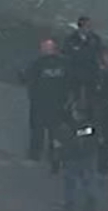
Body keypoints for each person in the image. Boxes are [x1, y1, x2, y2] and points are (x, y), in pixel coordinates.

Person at [20, 39, 70, 169]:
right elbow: (70, 81)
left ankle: (35, 155)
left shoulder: (38, 64)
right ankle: (54, 159)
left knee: (37, 131)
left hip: (40, 103)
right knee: (55, 133)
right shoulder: (64, 63)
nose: (41, 50)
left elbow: (25, 78)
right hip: (58, 104)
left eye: (43, 48)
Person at [55, 100, 99, 211]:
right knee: (88, 182)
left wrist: (59, 157)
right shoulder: (91, 128)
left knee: (70, 185)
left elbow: (63, 142)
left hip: (72, 159)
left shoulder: (67, 128)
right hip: (87, 158)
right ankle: (90, 208)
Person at [62, 16, 103, 100]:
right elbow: (66, 53)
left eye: (89, 25)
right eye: (85, 25)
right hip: (75, 71)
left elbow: (100, 52)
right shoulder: (71, 39)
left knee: (91, 96)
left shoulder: (95, 39)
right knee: (75, 95)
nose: (88, 28)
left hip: (91, 72)